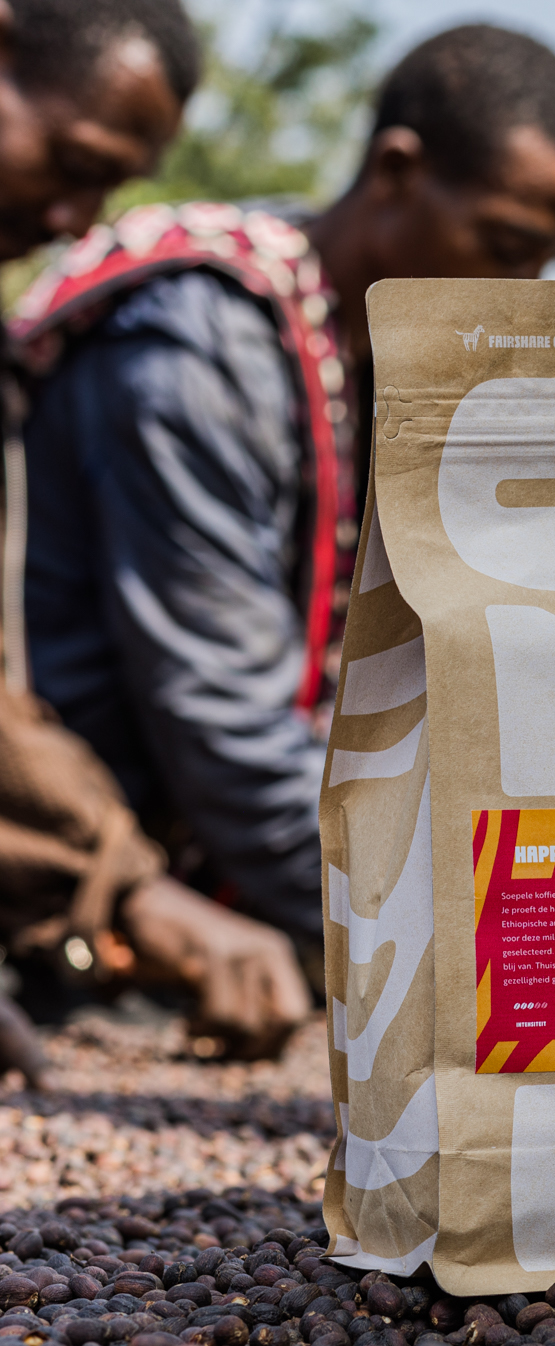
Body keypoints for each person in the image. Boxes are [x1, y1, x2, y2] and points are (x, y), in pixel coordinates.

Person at [12, 25, 555, 969]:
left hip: (183, 882)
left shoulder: (353, 362)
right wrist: (465, 959)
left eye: (546, 261)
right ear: (398, 171)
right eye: (506, 245)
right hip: (74, 894)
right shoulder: (202, 351)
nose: (522, 291)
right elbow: (225, 724)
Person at [0, 0, 309, 1077]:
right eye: (75, 159)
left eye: (108, 188)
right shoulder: (190, 351)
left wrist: (118, 888)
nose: (77, 215)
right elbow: (218, 711)